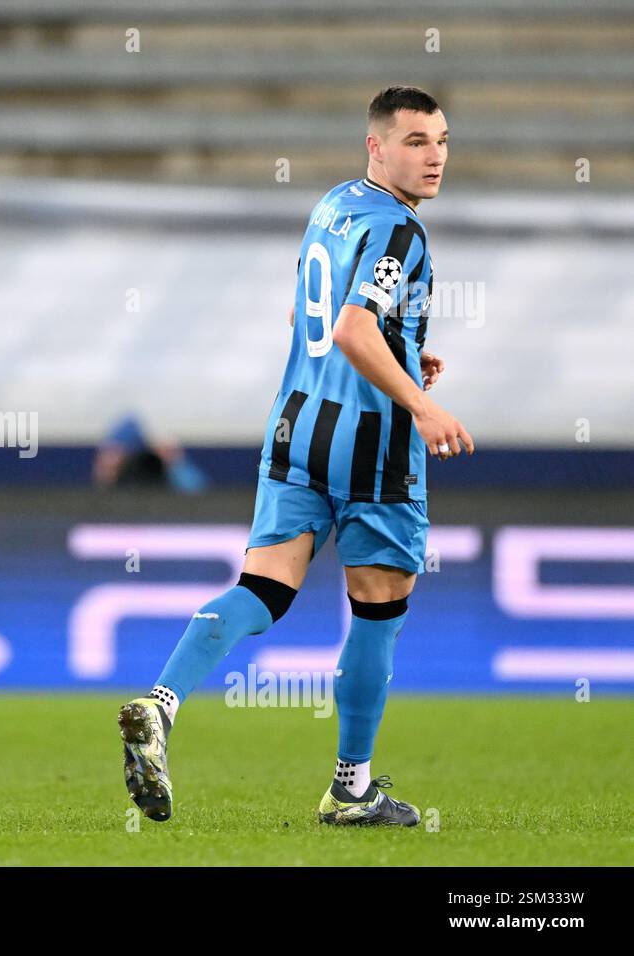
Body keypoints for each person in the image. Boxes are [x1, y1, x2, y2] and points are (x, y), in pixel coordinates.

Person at [118, 86, 473, 826]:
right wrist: (422, 402)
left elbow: (309, 313)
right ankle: (351, 789)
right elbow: (350, 328)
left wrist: (404, 349)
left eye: (440, 139)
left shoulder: (332, 206)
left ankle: (162, 702)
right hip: (371, 444)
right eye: (415, 141)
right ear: (376, 146)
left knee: (263, 590)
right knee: (379, 613)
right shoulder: (403, 231)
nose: (434, 154)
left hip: (296, 426)